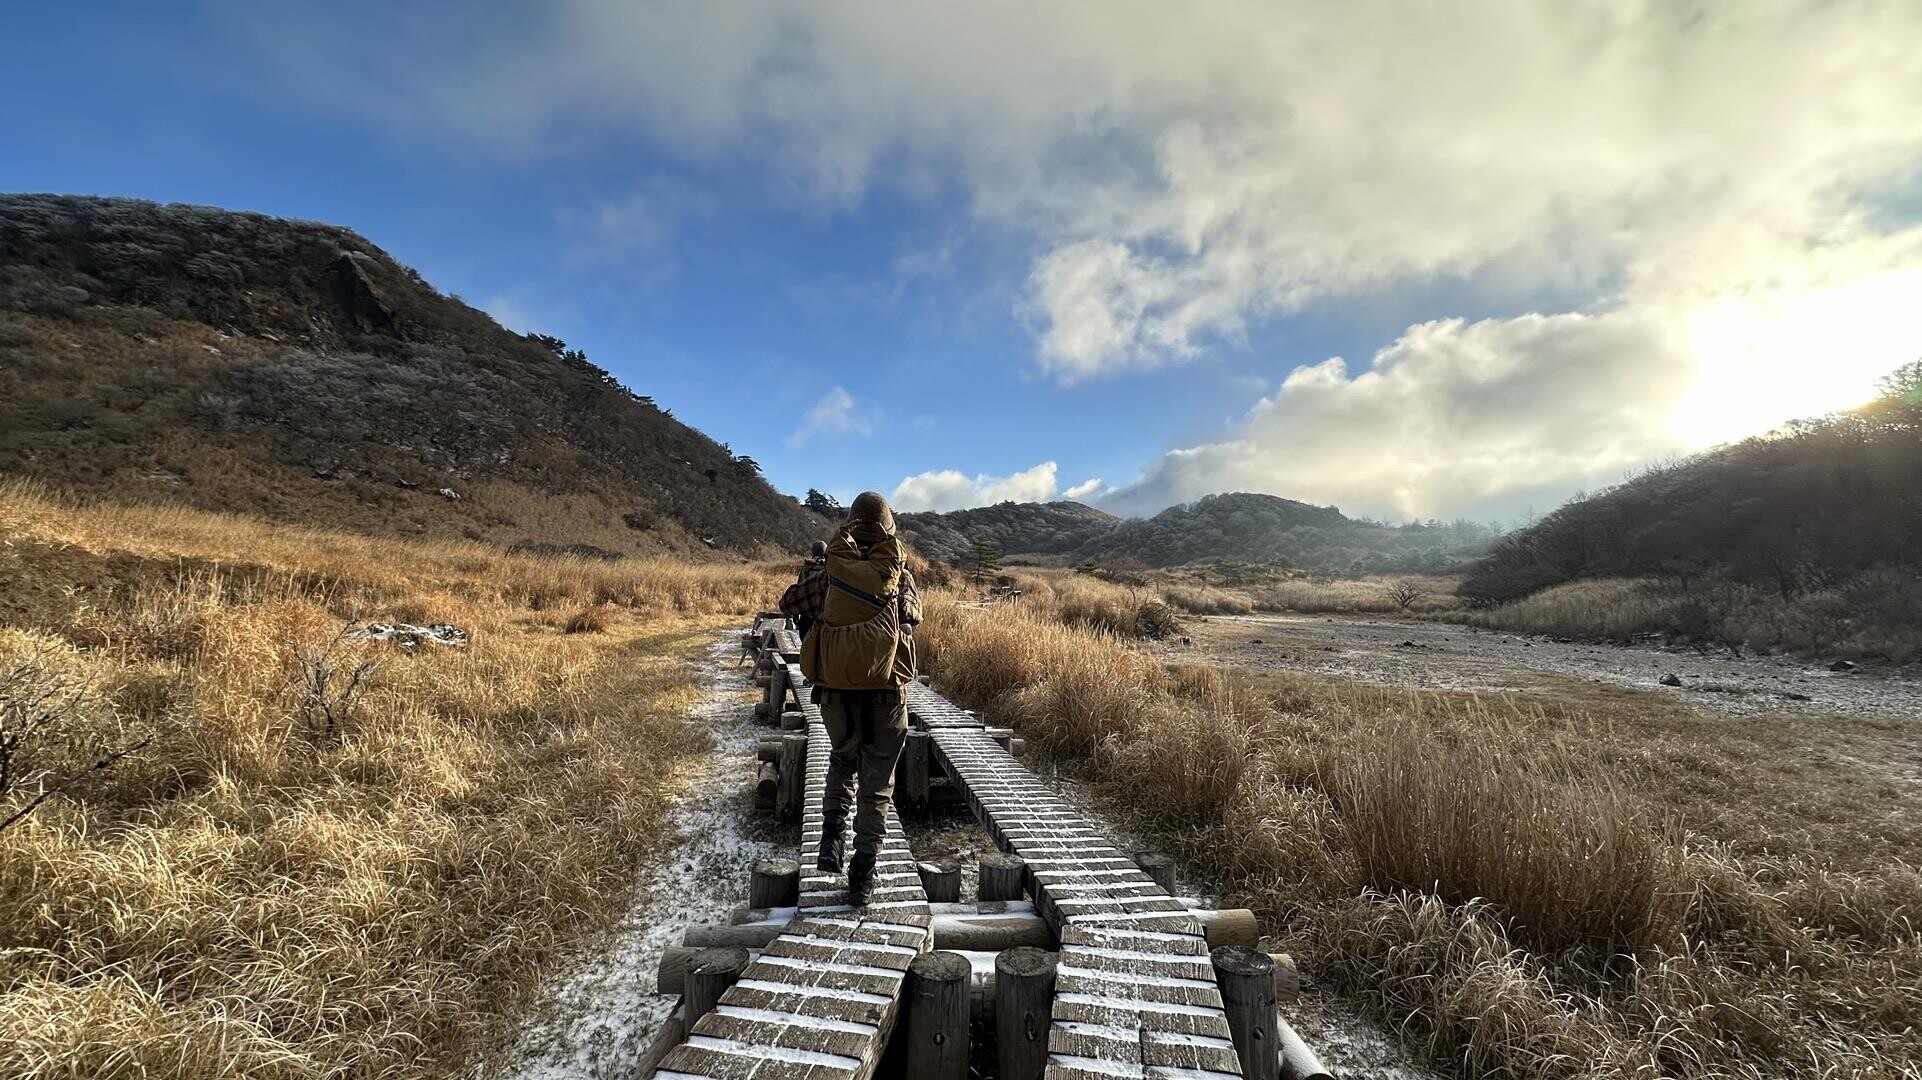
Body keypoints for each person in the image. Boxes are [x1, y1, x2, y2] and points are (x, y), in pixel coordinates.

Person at [779, 491, 921, 906]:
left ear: (850, 526)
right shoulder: (898, 574)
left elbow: (788, 603)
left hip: (836, 693)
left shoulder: (830, 570)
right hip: (887, 694)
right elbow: (913, 617)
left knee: (842, 761)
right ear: (889, 530)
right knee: (876, 786)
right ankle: (862, 873)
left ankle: (831, 840)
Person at [792, 540, 828, 639]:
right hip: (825, 618)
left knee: (806, 645)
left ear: (813, 552)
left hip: (807, 616)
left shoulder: (806, 569)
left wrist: (795, 614)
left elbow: (799, 592)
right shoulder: (829, 569)